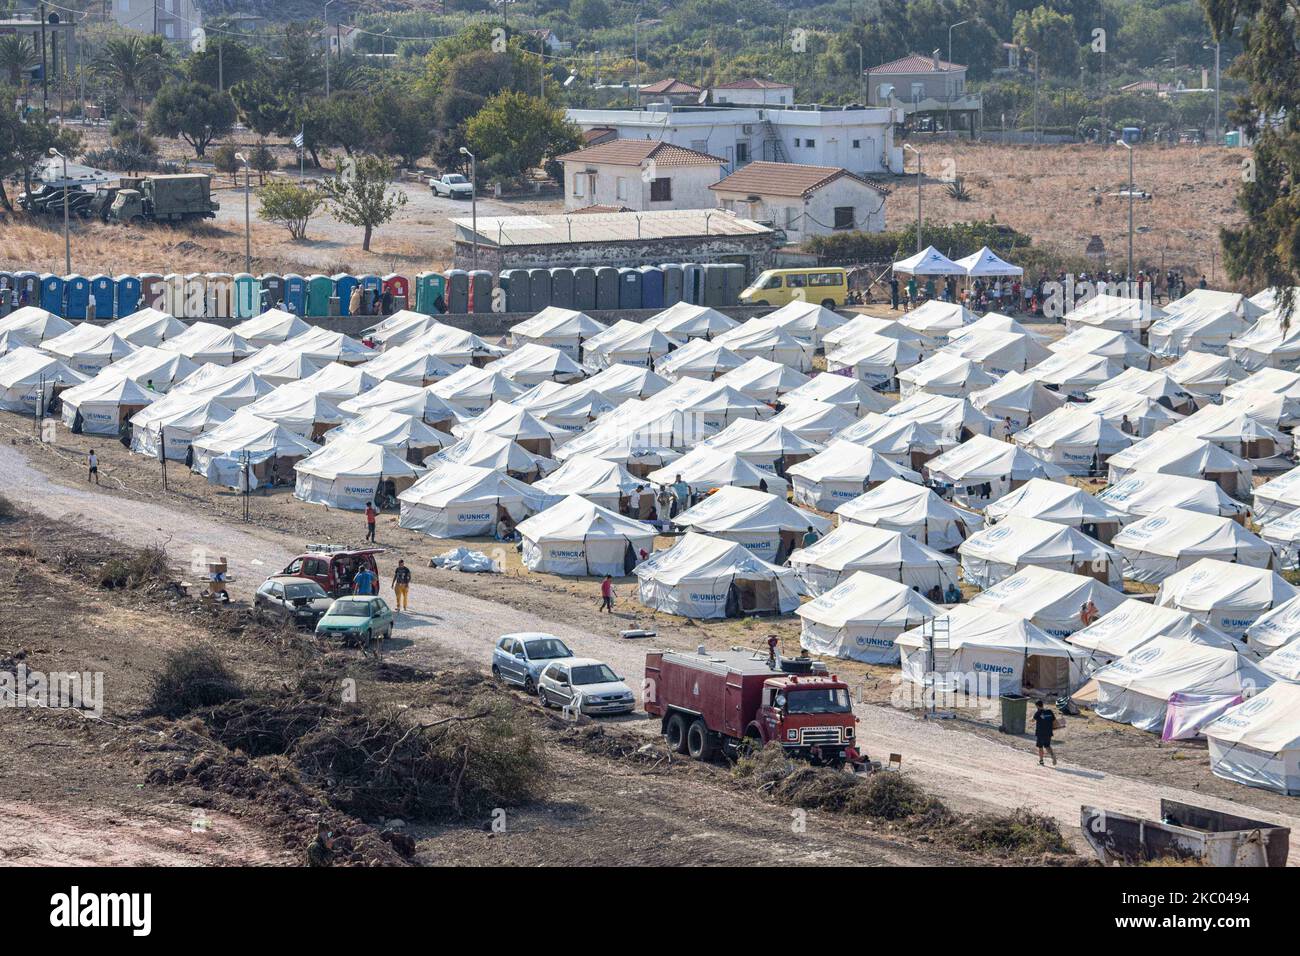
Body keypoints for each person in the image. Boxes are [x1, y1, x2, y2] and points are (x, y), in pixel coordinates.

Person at [1033, 699, 1057, 766]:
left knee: (1040, 747)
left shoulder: (1038, 713)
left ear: (1037, 706)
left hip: (1040, 732)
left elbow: (1032, 720)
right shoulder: (1049, 711)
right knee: (1047, 746)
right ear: (1042, 704)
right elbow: (1054, 721)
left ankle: (1041, 761)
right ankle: (1052, 755)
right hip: (1048, 732)